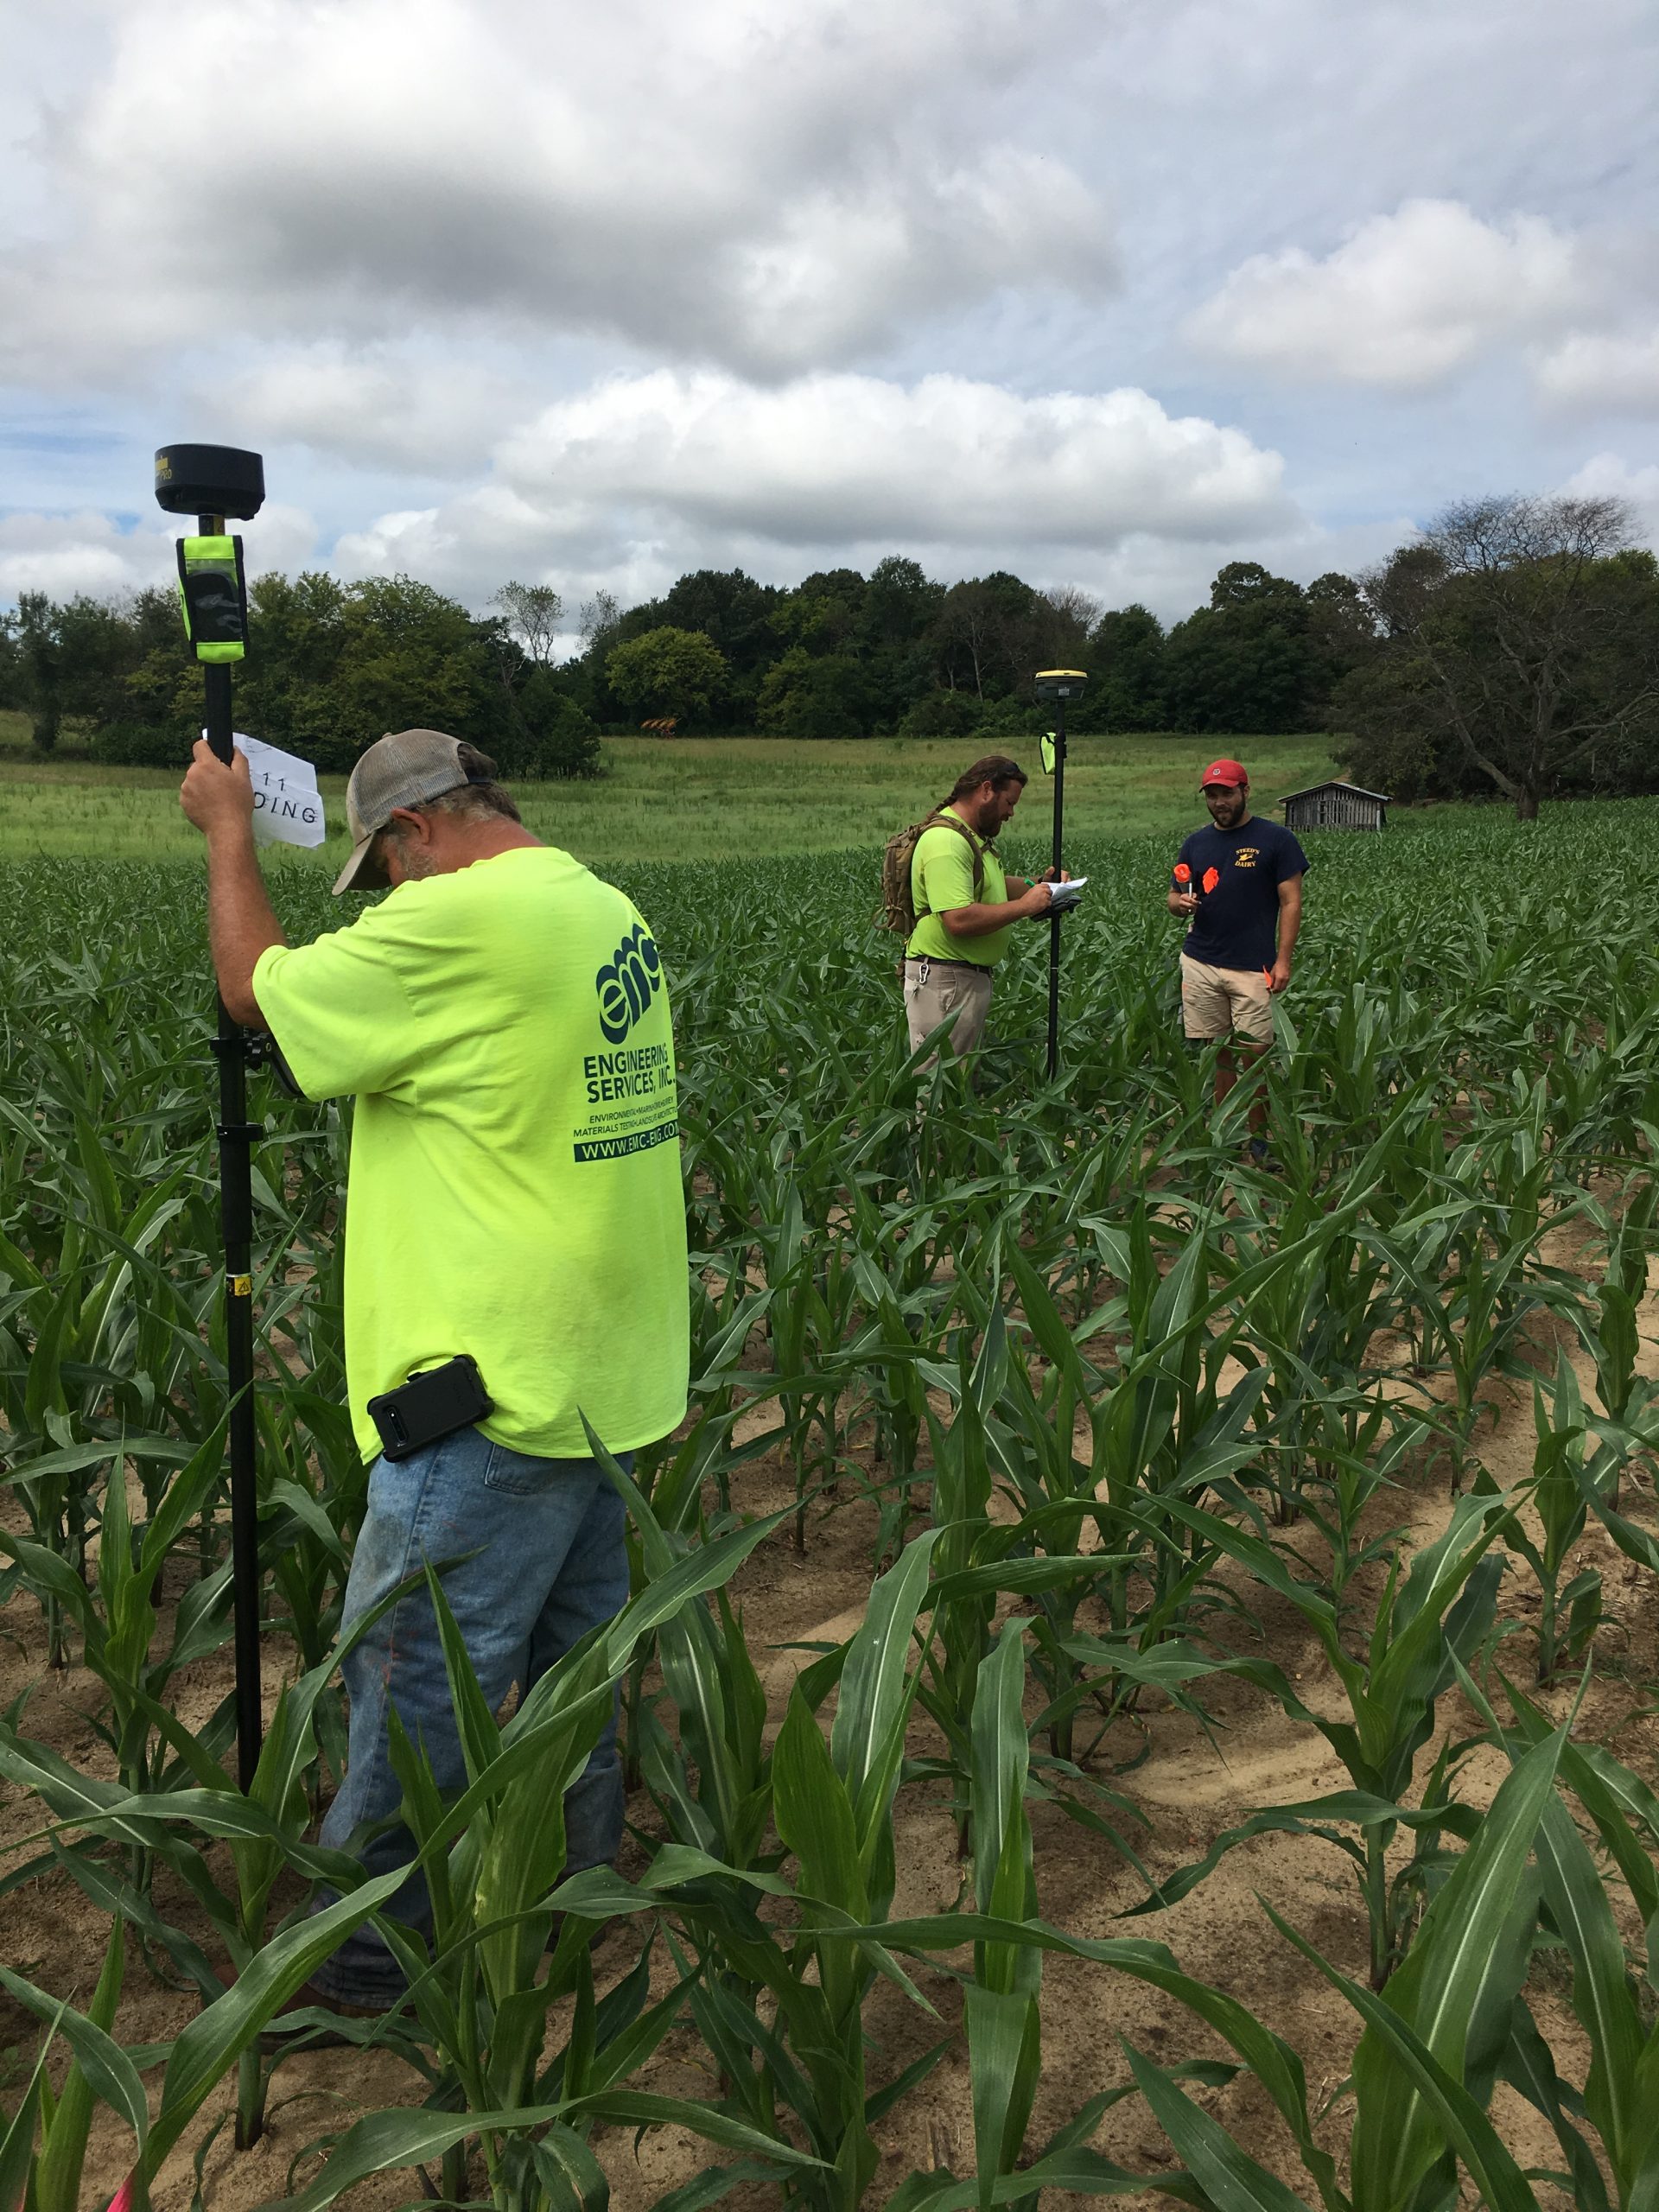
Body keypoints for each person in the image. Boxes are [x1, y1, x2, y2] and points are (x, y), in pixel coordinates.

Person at [178, 727, 690, 2016]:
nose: (392, 897)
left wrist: (229, 833)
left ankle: (364, 1967)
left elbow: (258, 993)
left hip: (489, 1399)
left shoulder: (459, 921)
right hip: (605, 1379)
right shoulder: (599, 904)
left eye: (388, 871)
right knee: (576, 1680)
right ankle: (568, 1907)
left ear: (414, 833)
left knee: (416, 1691)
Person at [1166, 758, 1307, 1160]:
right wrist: (1181, 905)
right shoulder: (1195, 843)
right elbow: (1173, 897)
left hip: (1253, 968)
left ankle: (1260, 1136)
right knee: (1218, 1053)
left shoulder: (1276, 839)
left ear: (1246, 791)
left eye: (1226, 793)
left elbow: (1291, 901)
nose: (1218, 802)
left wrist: (1283, 960)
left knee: (1255, 1056)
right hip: (1201, 962)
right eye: (1212, 795)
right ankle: (1225, 1134)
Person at [902, 754, 1061, 1065]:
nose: (1011, 813)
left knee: (957, 1082)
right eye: (1009, 802)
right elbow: (958, 919)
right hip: (945, 981)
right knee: (939, 1086)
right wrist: (1024, 907)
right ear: (986, 790)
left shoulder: (968, 836)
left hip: (958, 980)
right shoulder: (947, 841)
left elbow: (991, 884)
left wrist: (1039, 884)